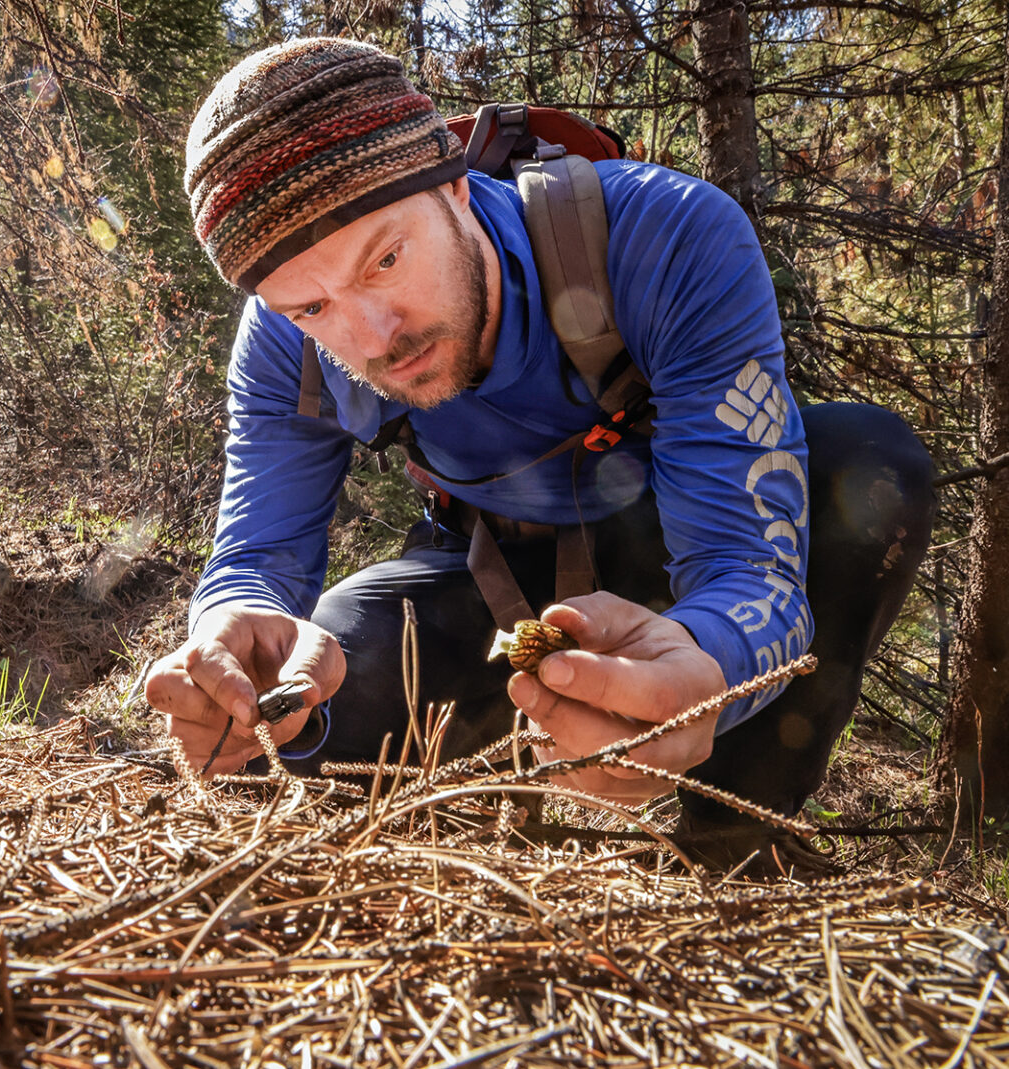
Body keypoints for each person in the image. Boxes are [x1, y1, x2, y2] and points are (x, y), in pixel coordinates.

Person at [145, 36, 935, 857]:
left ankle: (736, 840)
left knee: (865, 464)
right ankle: (470, 848)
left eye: (384, 258)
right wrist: (235, 636)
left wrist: (709, 665)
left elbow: (747, 561)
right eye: (311, 307)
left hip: (669, 544)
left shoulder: (663, 236)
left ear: (454, 183)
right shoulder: (280, 343)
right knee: (318, 689)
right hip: (480, 564)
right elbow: (259, 548)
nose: (373, 337)